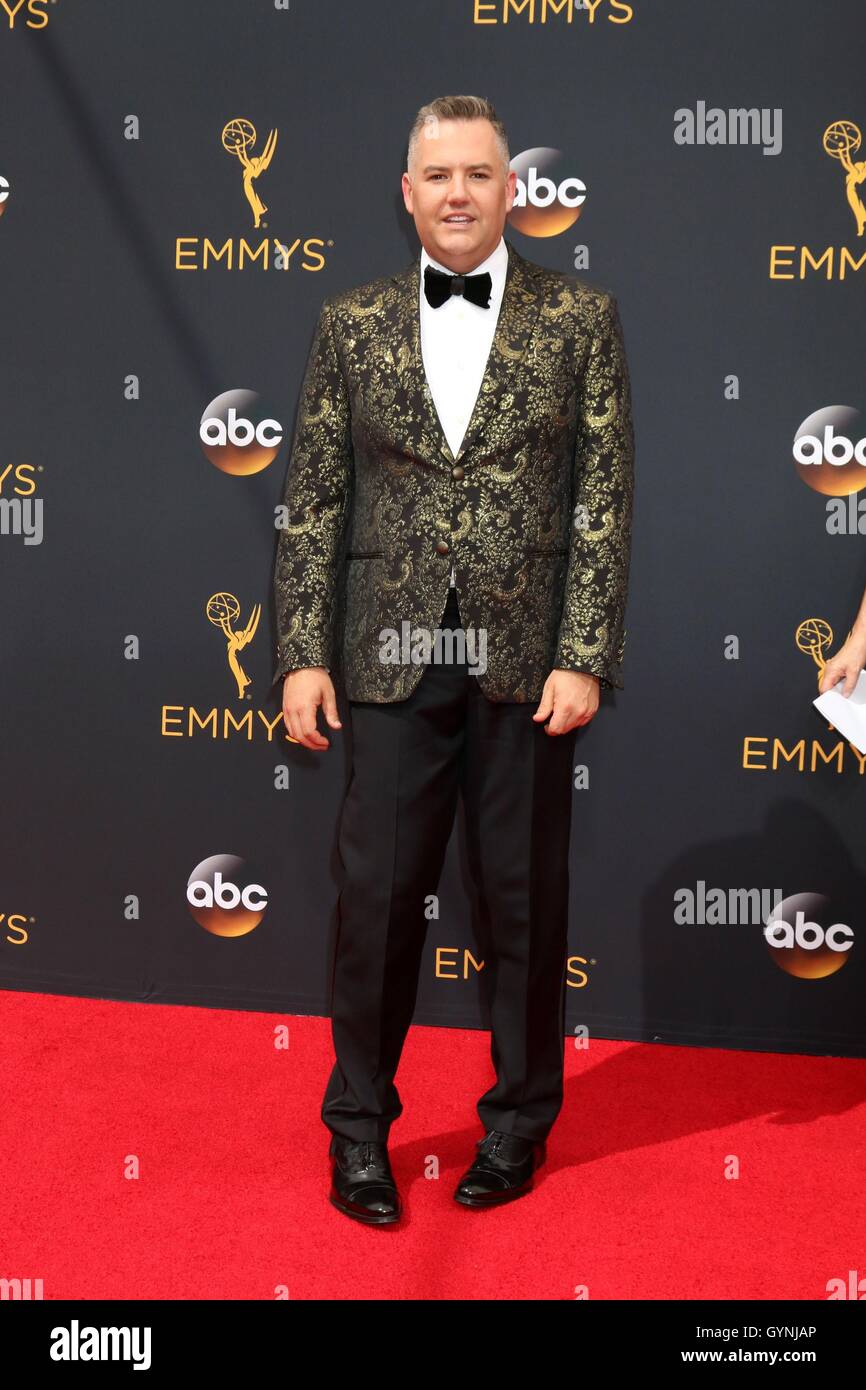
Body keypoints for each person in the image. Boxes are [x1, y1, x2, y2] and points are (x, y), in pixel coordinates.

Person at [271, 94, 635, 1225]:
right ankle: (359, 1134)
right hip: (385, 652)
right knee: (375, 900)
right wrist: (298, 652)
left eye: (478, 174)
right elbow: (315, 497)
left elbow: (602, 503)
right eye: (437, 176)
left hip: (527, 659)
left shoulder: (580, 319)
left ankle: (519, 1124)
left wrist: (582, 653)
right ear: (406, 192)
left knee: (521, 903)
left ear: (510, 189)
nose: (459, 194)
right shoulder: (348, 320)